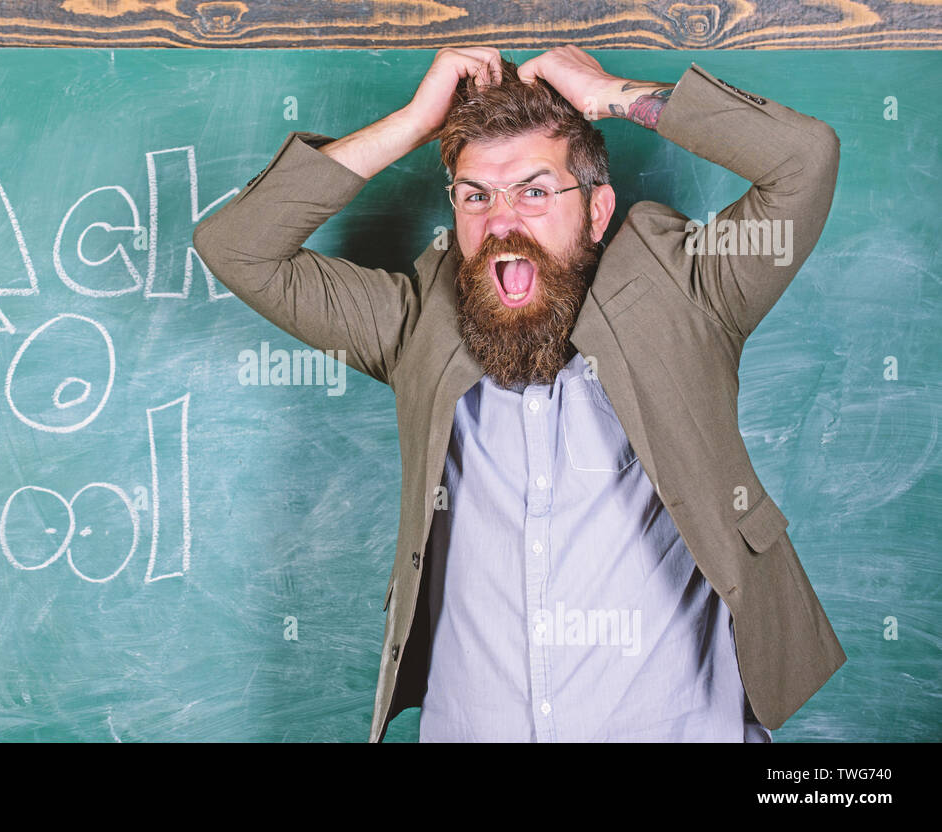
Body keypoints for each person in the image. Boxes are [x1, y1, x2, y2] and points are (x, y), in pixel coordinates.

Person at [193, 45, 845, 742]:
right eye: (476, 195)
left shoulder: (690, 296)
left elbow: (804, 160)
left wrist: (610, 95)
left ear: (597, 212)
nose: (502, 221)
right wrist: (416, 123)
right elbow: (236, 247)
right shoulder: (419, 324)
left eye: (534, 191)